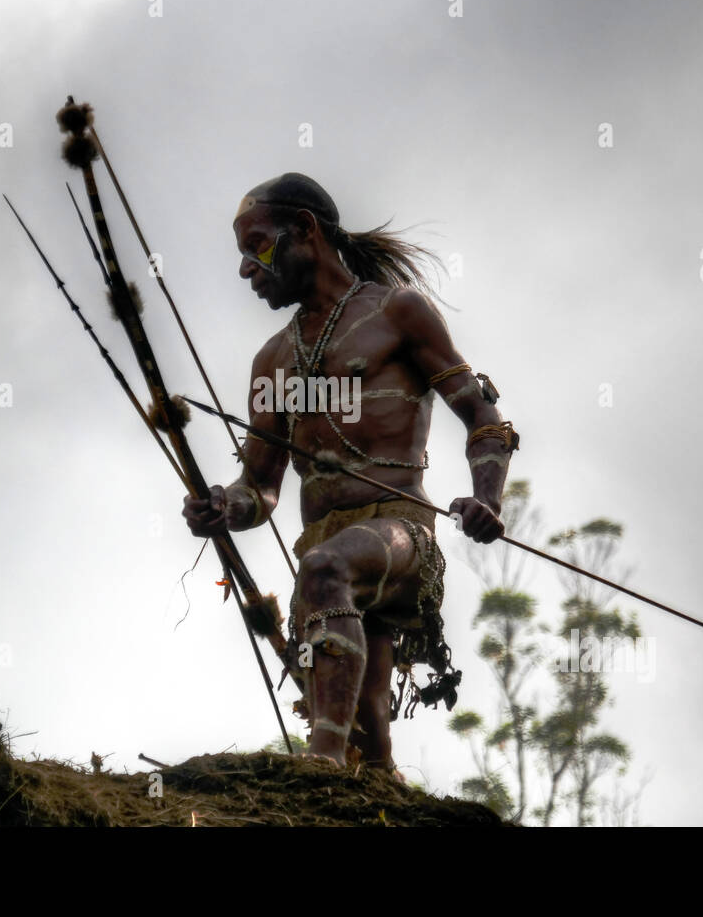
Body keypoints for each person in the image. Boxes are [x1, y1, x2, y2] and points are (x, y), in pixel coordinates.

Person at [183, 173, 517, 771]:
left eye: (257, 247)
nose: (246, 270)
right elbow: (260, 488)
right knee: (372, 749)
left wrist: (486, 498)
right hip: (322, 555)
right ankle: (362, 779)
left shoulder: (398, 312)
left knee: (326, 567)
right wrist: (220, 507)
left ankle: (320, 768)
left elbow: (484, 415)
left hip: (398, 535)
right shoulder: (272, 360)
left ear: (306, 231)